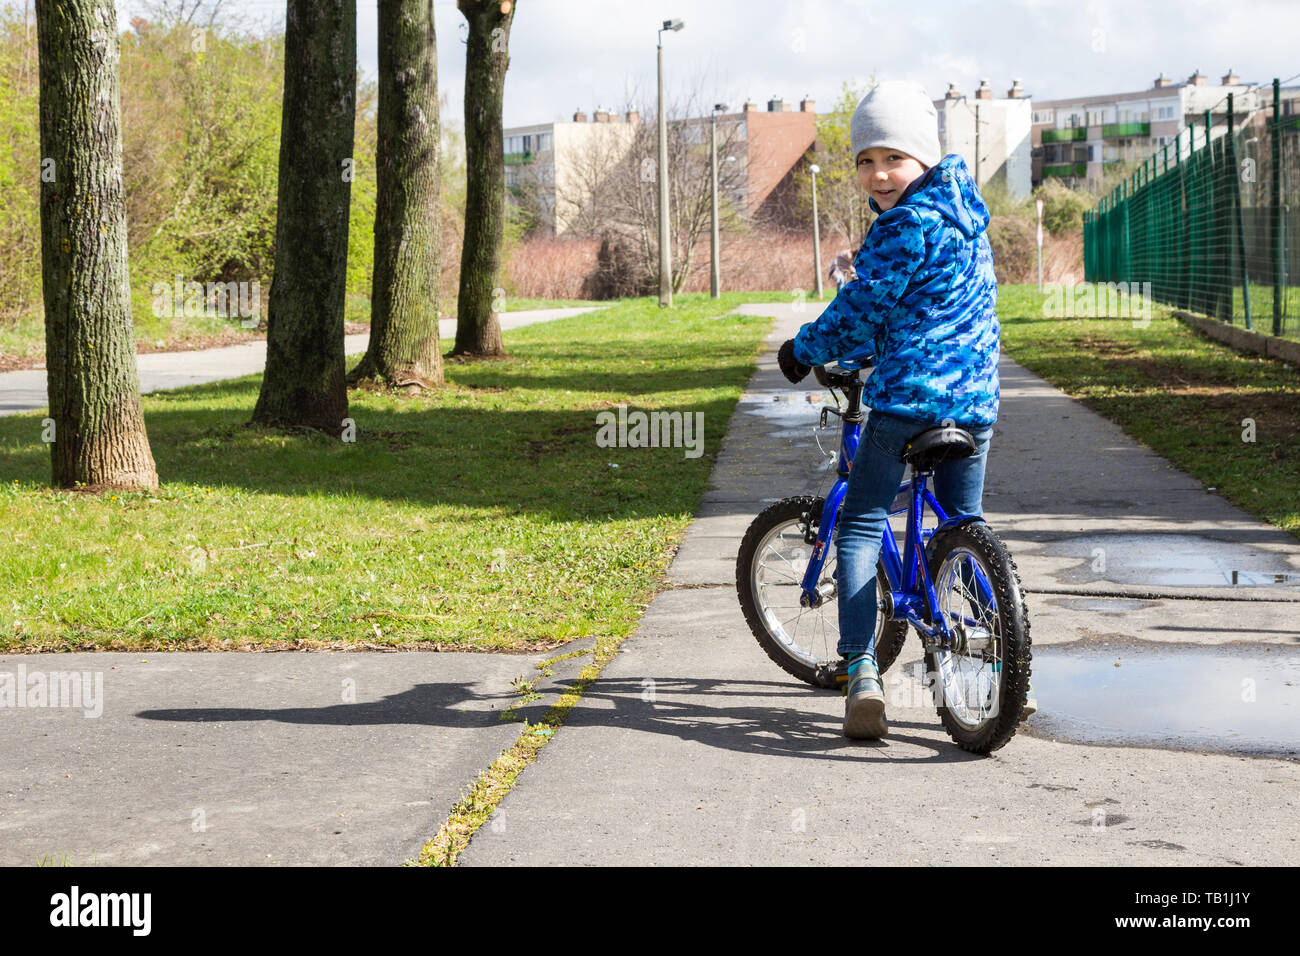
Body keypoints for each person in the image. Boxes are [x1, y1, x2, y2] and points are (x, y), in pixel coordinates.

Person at [775, 80, 1035, 739]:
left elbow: (861, 310)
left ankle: (861, 669)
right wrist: (867, 337)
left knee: (862, 520)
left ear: (922, 158)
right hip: (974, 400)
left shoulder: (902, 226)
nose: (878, 174)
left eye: (892, 158)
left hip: (908, 400)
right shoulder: (966, 215)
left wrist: (804, 348)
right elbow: (917, 308)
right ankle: (1001, 671)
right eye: (865, 160)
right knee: (962, 524)